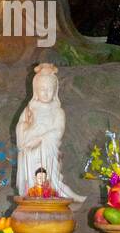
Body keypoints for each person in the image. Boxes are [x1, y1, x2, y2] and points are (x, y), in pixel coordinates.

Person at [15, 63, 84, 203]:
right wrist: (31, 134)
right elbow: (21, 127)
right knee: (31, 173)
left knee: (48, 172)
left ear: (55, 90)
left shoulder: (57, 111)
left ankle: (55, 189)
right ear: (35, 90)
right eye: (42, 90)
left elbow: (58, 132)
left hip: (48, 151)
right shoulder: (30, 109)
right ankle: (31, 192)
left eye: (50, 90)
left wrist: (40, 136)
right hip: (31, 152)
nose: (46, 93)